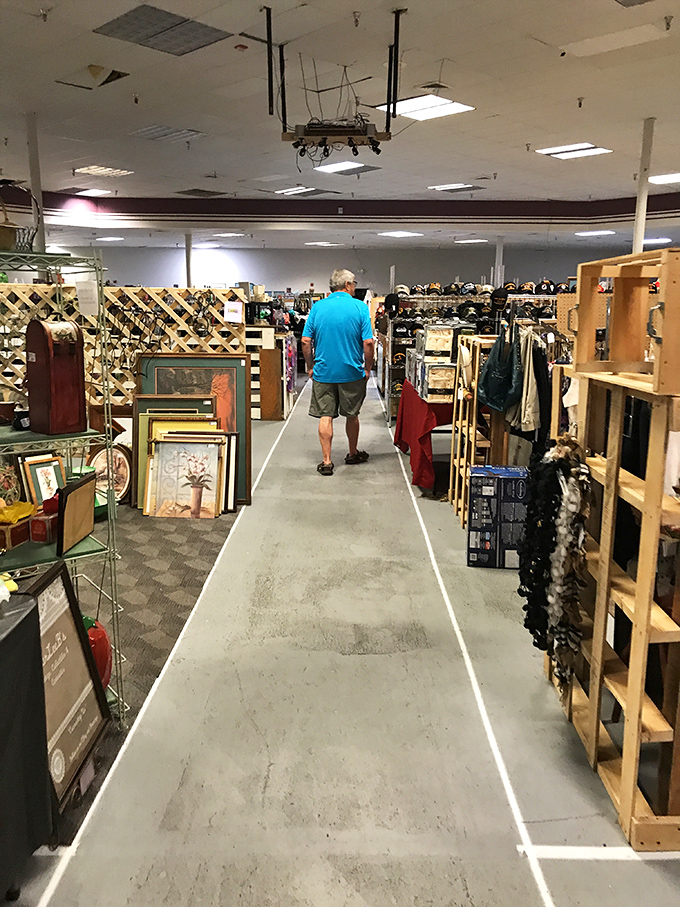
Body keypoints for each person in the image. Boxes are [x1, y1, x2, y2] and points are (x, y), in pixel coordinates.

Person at [301, 268, 374, 476]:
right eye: (354, 284)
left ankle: (326, 461)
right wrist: (367, 368)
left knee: (326, 415)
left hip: (324, 372)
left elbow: (306, 341)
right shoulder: (359, 307)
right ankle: (352, 453)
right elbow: (368, 343)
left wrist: (310, 366)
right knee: (352, 414)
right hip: (352, 372)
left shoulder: (318, 308)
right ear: (348, 285)